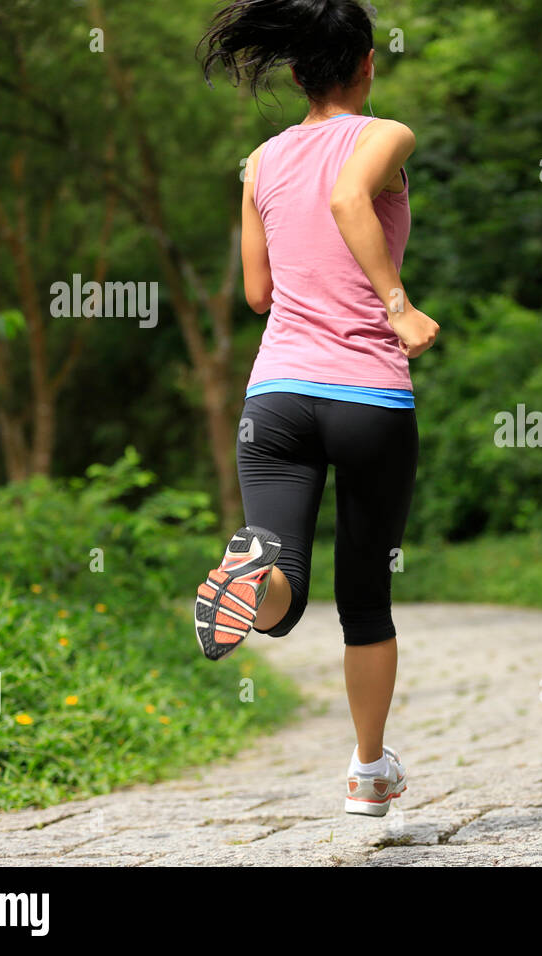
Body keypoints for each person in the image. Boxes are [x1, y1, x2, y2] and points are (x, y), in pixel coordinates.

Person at [195, 0, 439, 817]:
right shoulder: (386, 136)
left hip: (277, 399)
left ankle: (251, 578)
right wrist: (397, 305)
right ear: (369, 62)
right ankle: (370, 773)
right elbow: (347, 200)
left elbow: (259, 292)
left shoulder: (259, 162)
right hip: (367, 394)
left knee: (286, 587)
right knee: (364, 597)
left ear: (295, 73)